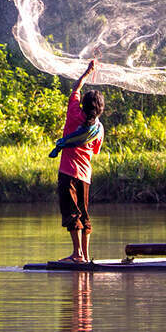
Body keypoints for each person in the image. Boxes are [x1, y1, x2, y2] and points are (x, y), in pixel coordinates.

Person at [51, 60, 104, 264]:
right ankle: (85, 254)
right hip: (85, 176)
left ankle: (77, 254)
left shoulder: (74, 114)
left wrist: (87, 72)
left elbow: (75, 89)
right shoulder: (98, 129)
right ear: (99, 110)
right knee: (83, 213)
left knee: (71, 212)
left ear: (83, 105)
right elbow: (96, 151)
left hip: (68, 173)